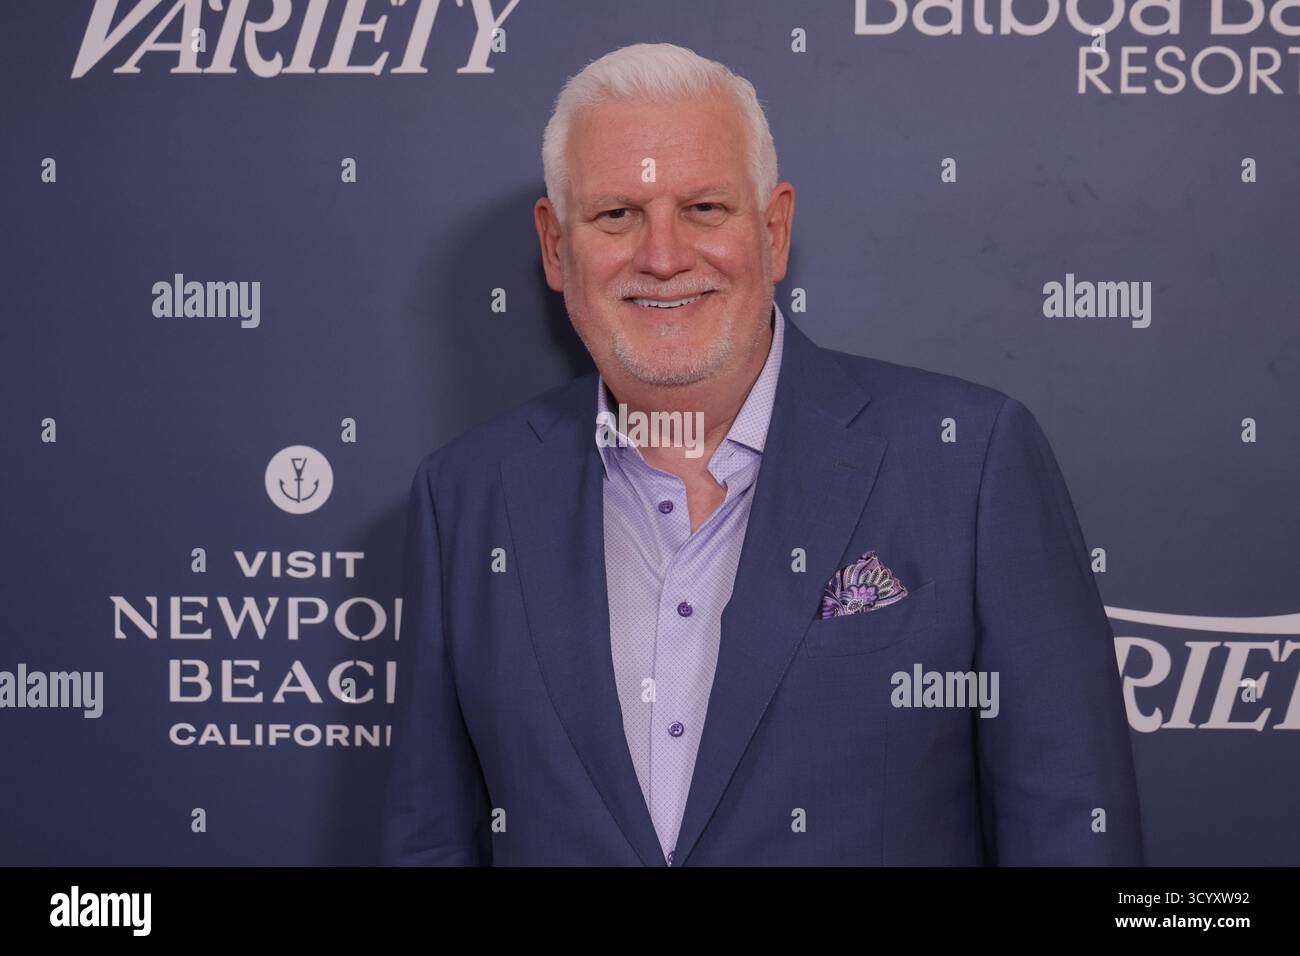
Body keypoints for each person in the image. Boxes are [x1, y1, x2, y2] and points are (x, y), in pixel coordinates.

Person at [380, 42, 1143, 866]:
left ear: (774, 231)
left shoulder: (970, 463)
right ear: (557, 249)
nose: (663, 256)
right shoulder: (464, 498)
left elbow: (1072, 831)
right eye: (616, 215)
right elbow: (430, 840)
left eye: (704, 208)